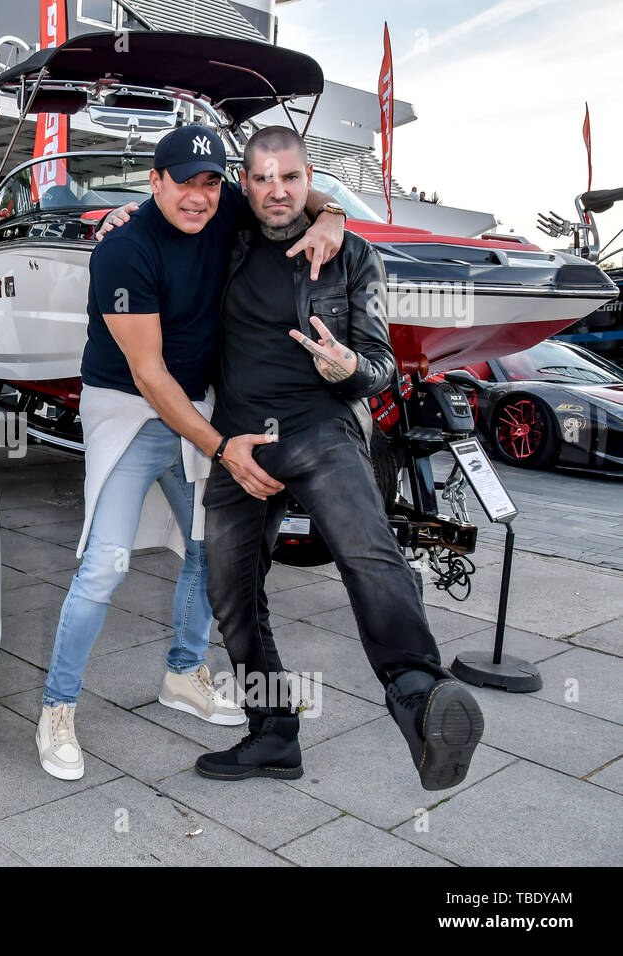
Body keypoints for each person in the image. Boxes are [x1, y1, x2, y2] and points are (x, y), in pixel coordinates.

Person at [36, 125, 348, 781]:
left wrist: (335, 219)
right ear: (154, 182)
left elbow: (294, 194)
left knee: (210, 551)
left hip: (199, 403)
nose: (200, 196)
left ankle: (182, 673)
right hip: (128, 407)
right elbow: (149, 375)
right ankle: (57, 709)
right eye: (184, 181)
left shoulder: (227, 203)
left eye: (211, 181)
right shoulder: (124, 249)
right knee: (103, 564)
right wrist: (223, 449)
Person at [194, 125, 484, 791]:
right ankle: (273, 734)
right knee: (230, 593)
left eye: (290, 178)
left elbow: (380, 366)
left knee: (367, 550)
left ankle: (418, 697)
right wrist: (130, 218)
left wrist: (347, 367)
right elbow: (179, 213)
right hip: (241, 441)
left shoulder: (353, 257)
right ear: (246, 183)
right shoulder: (228, 238)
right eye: (262, 178)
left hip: (322, 427)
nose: (276, 190)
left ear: (307, 179)